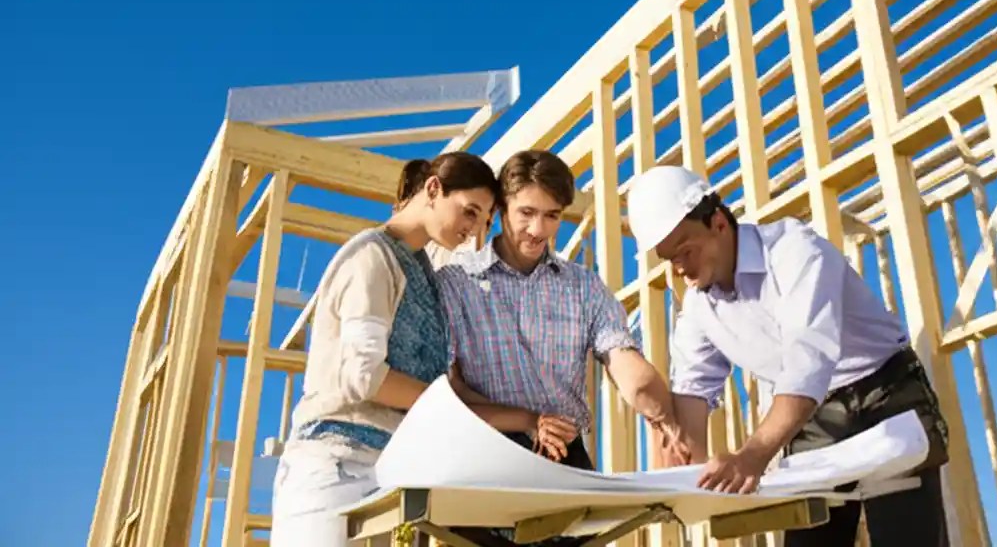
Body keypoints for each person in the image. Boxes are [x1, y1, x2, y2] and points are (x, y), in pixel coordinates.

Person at [627, 165, 951, 546]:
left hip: (884, 394)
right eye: (670, 259)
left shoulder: (794, 250)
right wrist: (687, 471)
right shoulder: (699, 307)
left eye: (685, 251)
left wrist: (752, 455)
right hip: (810, 418)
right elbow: (693, 388)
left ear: (717, 223)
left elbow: (807, 359)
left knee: (906, 535)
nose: (680, 268)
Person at [271, 152, 522, 546]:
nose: (473, 230)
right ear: (434, 189)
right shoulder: (371, 257)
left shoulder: (424, 277)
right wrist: (450, 411)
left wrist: (527, 418)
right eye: (469, 212)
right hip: (334, 472)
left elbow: (443, 387)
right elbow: (364, 376)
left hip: (390, 478)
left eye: (484, 220)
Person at [438, 150, 691, 472]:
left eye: (552, 215)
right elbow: (447, 390)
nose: (538, 229)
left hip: (566, 458)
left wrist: (665, 418)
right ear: (500, 209)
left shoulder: (583, 286)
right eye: (526, 213)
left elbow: (624, 361)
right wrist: (528, 422)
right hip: (486, 452)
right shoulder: (456, 284)